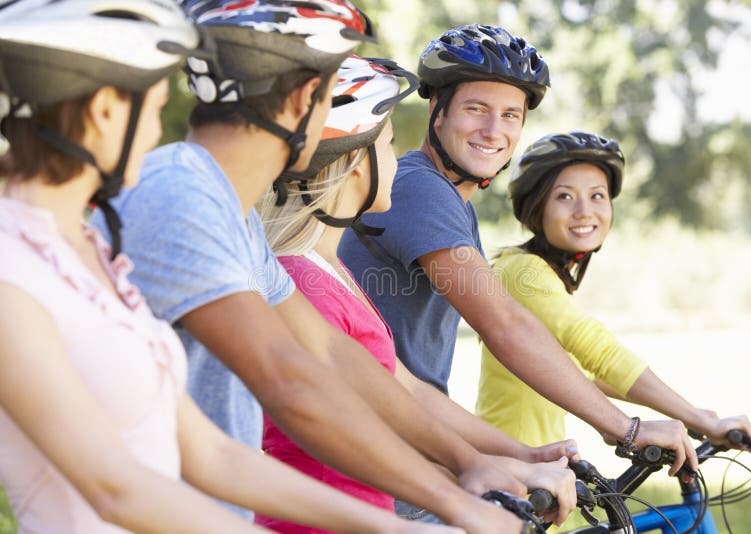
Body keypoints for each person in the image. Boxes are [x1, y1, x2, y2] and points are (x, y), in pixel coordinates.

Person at [0, 2, 449, 533]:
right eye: (153, 109)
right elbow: (116, 488)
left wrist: (400, 525)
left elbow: (211, 455)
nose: (155, 137)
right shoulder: (15, 271)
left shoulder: (85, 251)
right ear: (103, 111)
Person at [90, 2, 530, 530]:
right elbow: (290, 382)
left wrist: (469, 467)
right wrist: (448, 500)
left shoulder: (233, 215)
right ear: (306, 98)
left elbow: (328, 354)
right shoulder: (182, 195)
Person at [339, 23, 700, 488]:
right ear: (438, 111)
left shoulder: (449, 202)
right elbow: (505, 325)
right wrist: (626, 429)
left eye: (511, 115)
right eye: (476, 109)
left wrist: (516, 454)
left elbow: (415, 380)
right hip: (373, 453)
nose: (494, 130)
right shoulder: (419, 189)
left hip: (407, 440)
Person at [257, 55, 579, 531]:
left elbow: (407, 390)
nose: (399, 159)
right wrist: (469, 474)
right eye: (387, 145)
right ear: (353, 162)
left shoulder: (329, 271)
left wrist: (517, 456)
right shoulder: (303, 284)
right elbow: (352, 436)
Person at [475, 131, 751, 451]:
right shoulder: (523, 273)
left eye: (597, 195)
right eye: (565, 196)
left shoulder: (536, 274)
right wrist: (701, 421)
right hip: (510, 473)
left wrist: (694, 416)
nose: (584, 210)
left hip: (535, 467)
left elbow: (585, 373)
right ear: (535, 208)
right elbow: (597, 350)